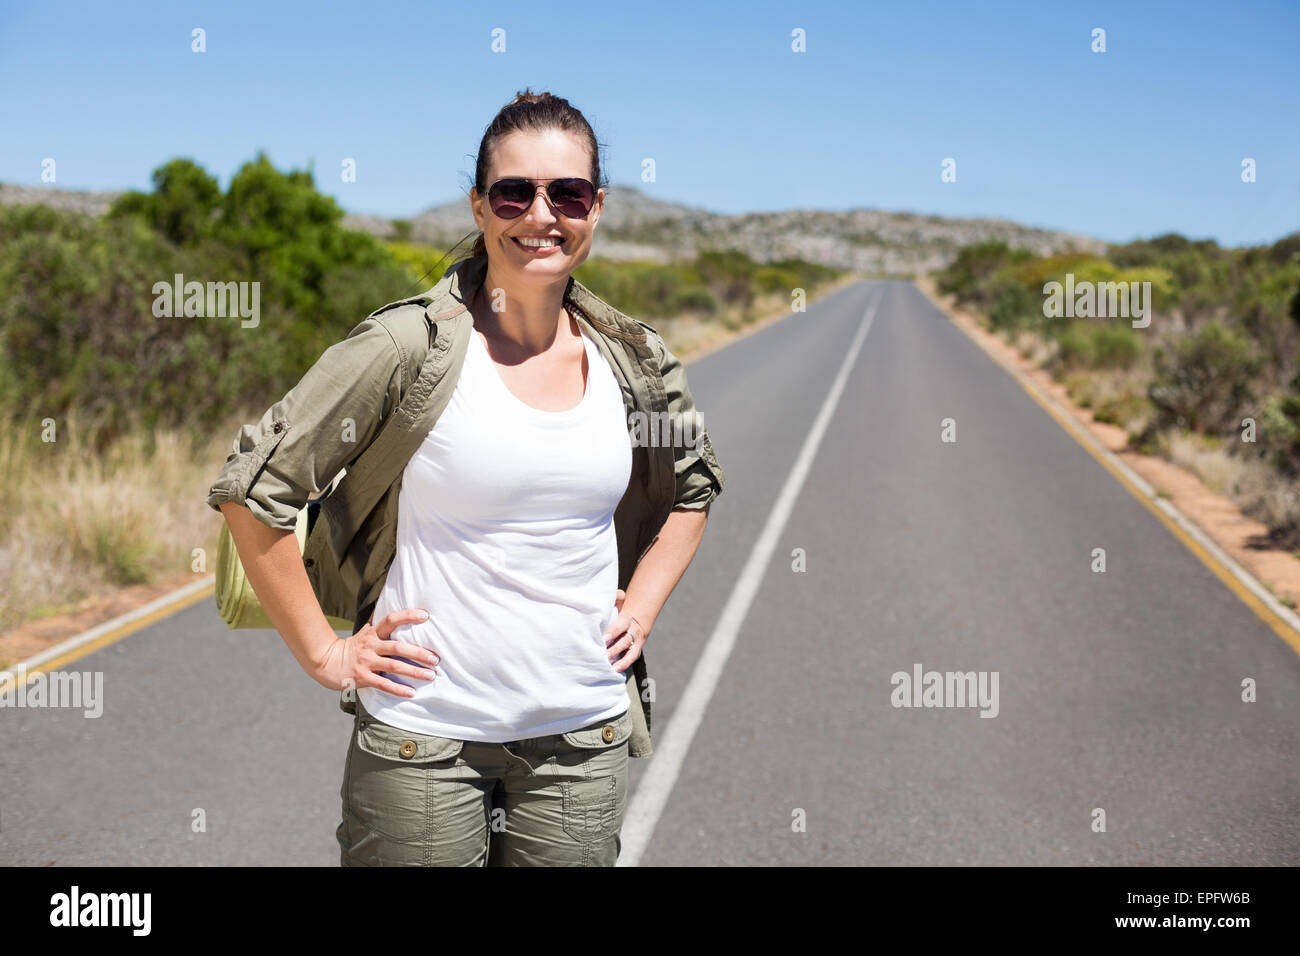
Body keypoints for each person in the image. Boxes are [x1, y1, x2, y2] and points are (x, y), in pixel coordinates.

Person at [209, 89, 725, 866]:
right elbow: (253, 492)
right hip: (424, 739)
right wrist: (326, 654)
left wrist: (641, 609)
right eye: (515, 192)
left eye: (568, 194)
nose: (541, 215)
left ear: (598, 208)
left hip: (581, 739)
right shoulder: (406, 347)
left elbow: (693, 490)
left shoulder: (636, 360)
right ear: (481, 206)